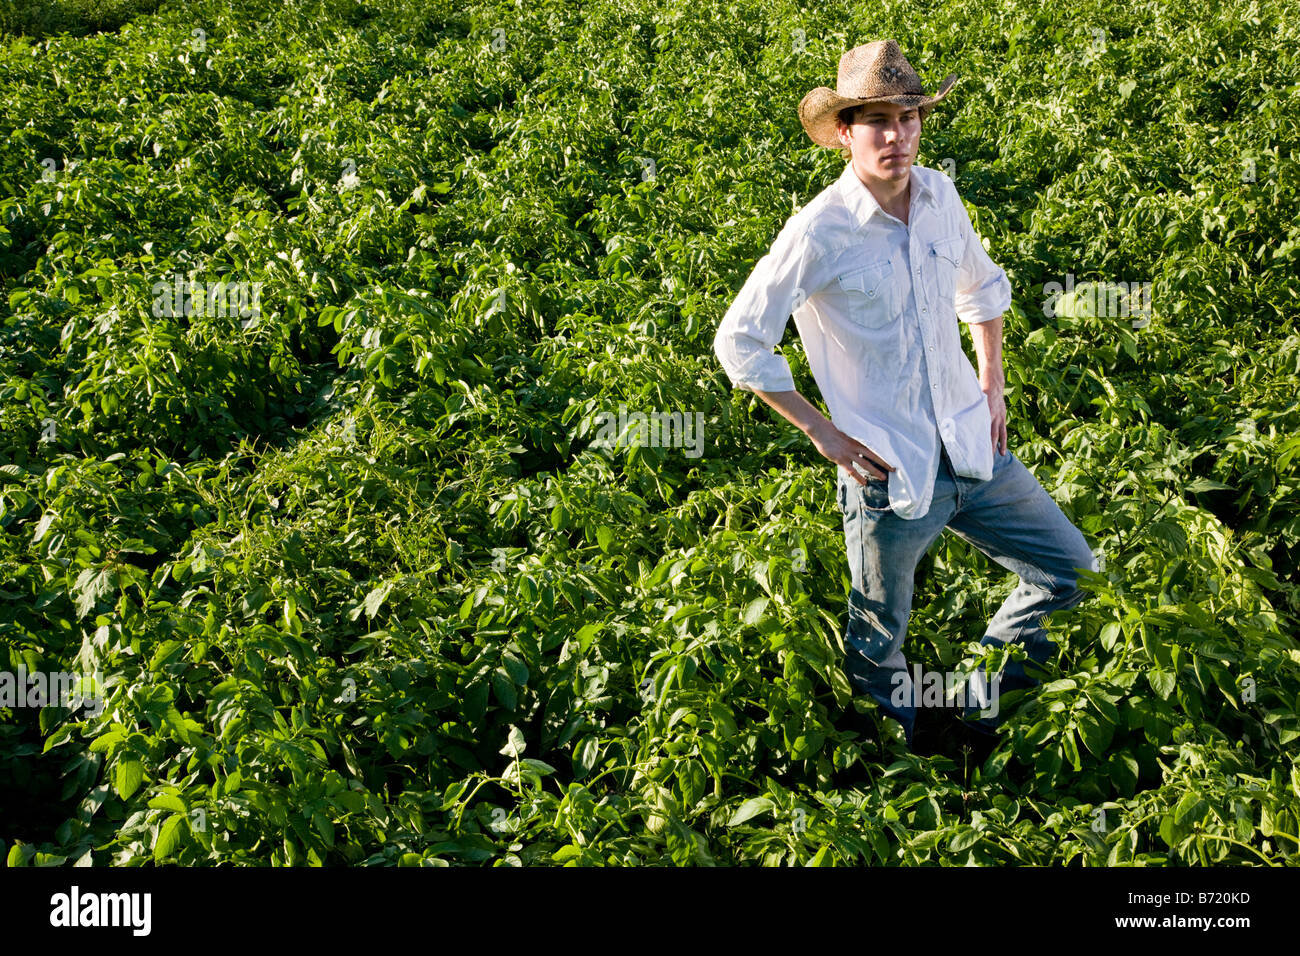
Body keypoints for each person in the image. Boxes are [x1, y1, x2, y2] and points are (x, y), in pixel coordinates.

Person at [712, 39, 1098, 753]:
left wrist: (991, 379)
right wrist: (823, 433)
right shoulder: (819, 232)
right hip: (888, 474)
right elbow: (739, 342)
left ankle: (982, 710)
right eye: (877, 121)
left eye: (908, 116)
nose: (896, 135)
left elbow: (980, 287)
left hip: (974, 447)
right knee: (877, 640)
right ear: (843, 134)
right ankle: (898, 764)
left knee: (1072, 574)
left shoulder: (940, 196)